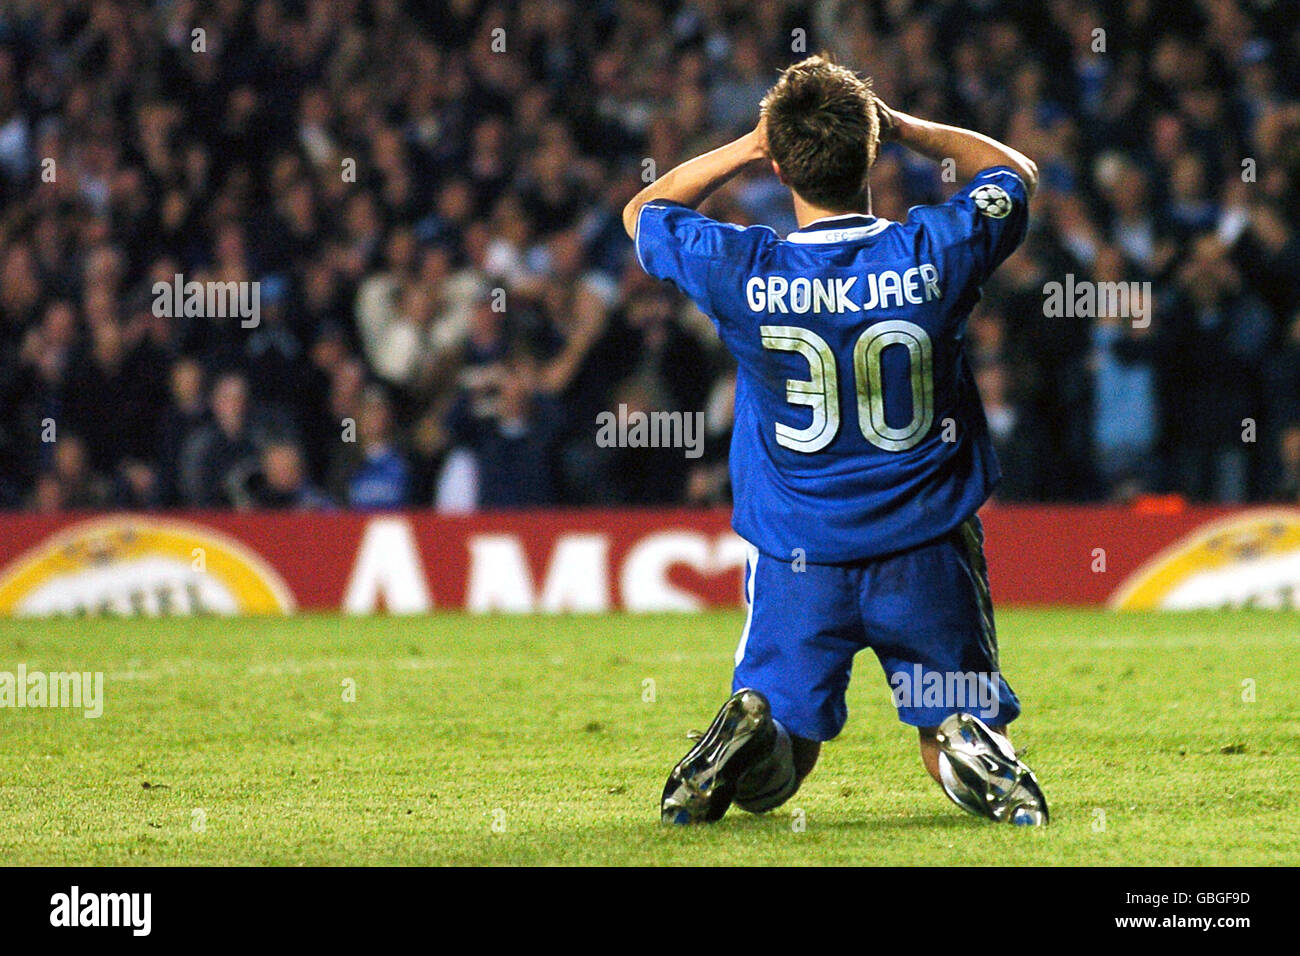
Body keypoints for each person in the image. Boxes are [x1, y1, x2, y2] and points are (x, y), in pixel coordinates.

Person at [623, 54, 1049, 826]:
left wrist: (750, 145)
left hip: (799, 555)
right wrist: (907, 128)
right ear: (873, 152)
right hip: (925, 546)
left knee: (787, 757)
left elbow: (643, 213)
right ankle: (970, 738)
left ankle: (755, 736)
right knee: (944, 720)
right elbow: (1014, 171)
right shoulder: (934, 253)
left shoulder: (743, 268)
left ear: (780, 164)